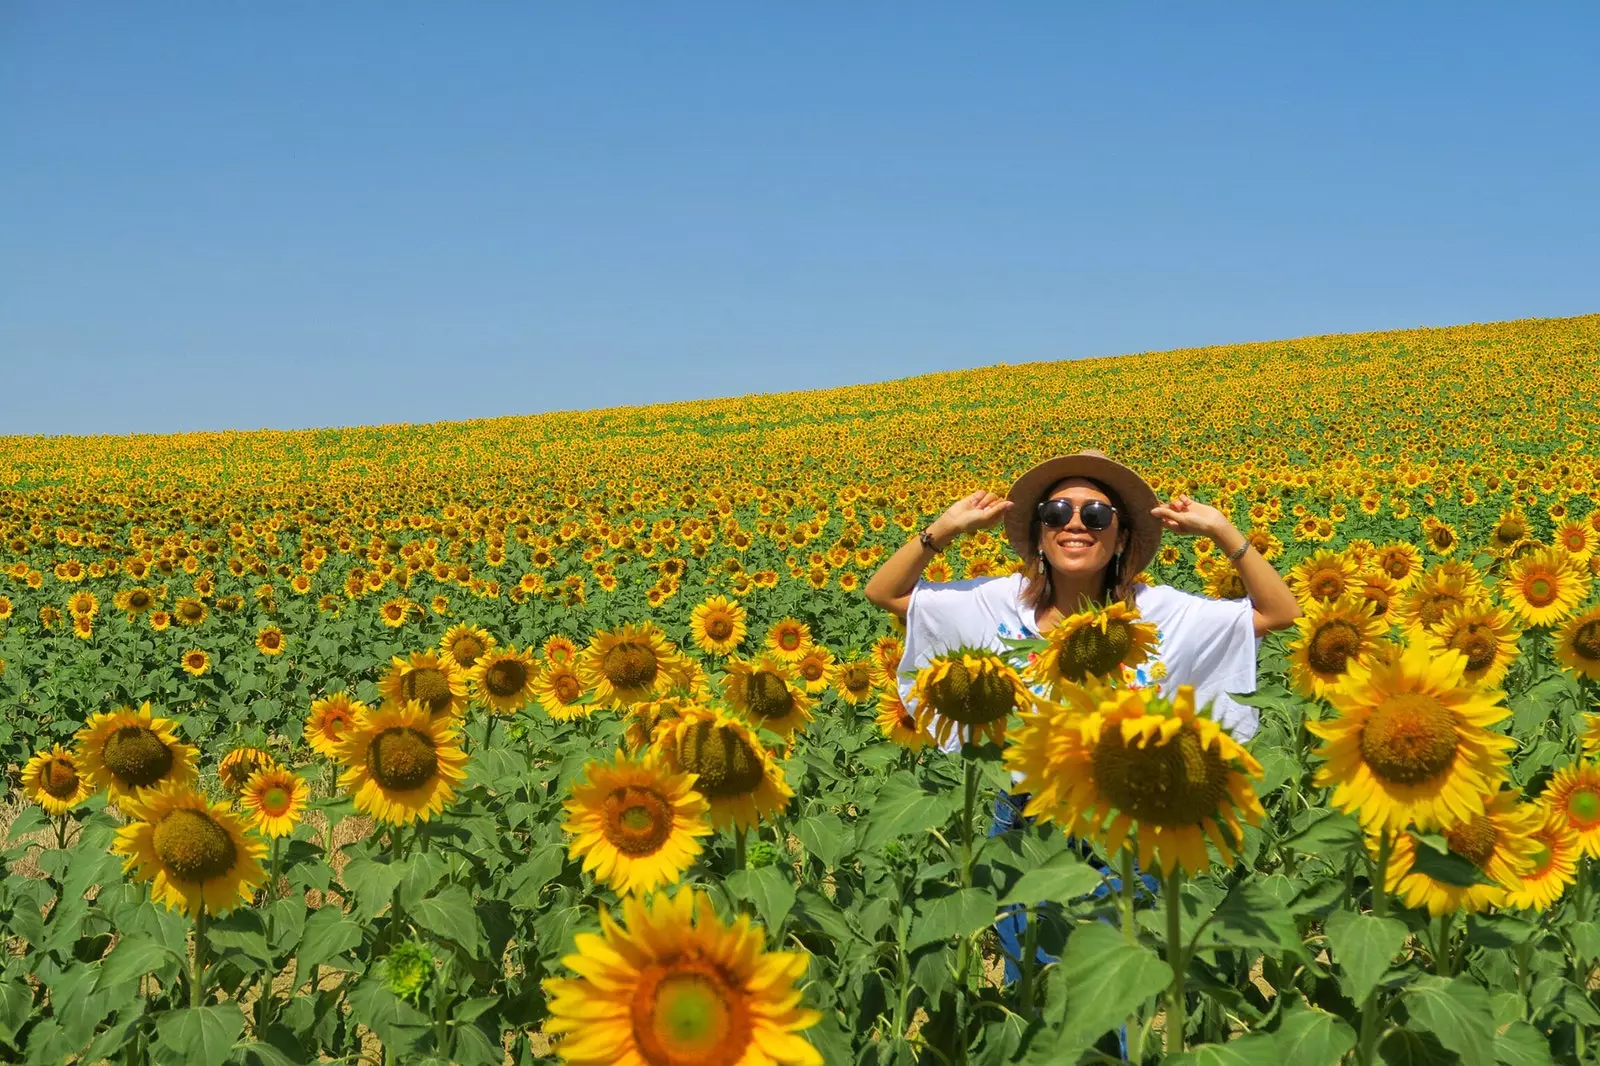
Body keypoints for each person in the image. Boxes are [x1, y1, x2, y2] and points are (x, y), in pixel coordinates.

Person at [863, 449, 1302, 982]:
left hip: (1128, 822)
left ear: (1119, 538)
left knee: (1115, 991)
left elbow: (1280, 613)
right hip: (1028, 820)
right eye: (1056, 513)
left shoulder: (1158, 611)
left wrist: (1223, 532)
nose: (1075, 523)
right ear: (1040, 534)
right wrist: (944, 529)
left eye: (1095, 515)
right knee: (1034, 984)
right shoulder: (996, 603)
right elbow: (883, 592)